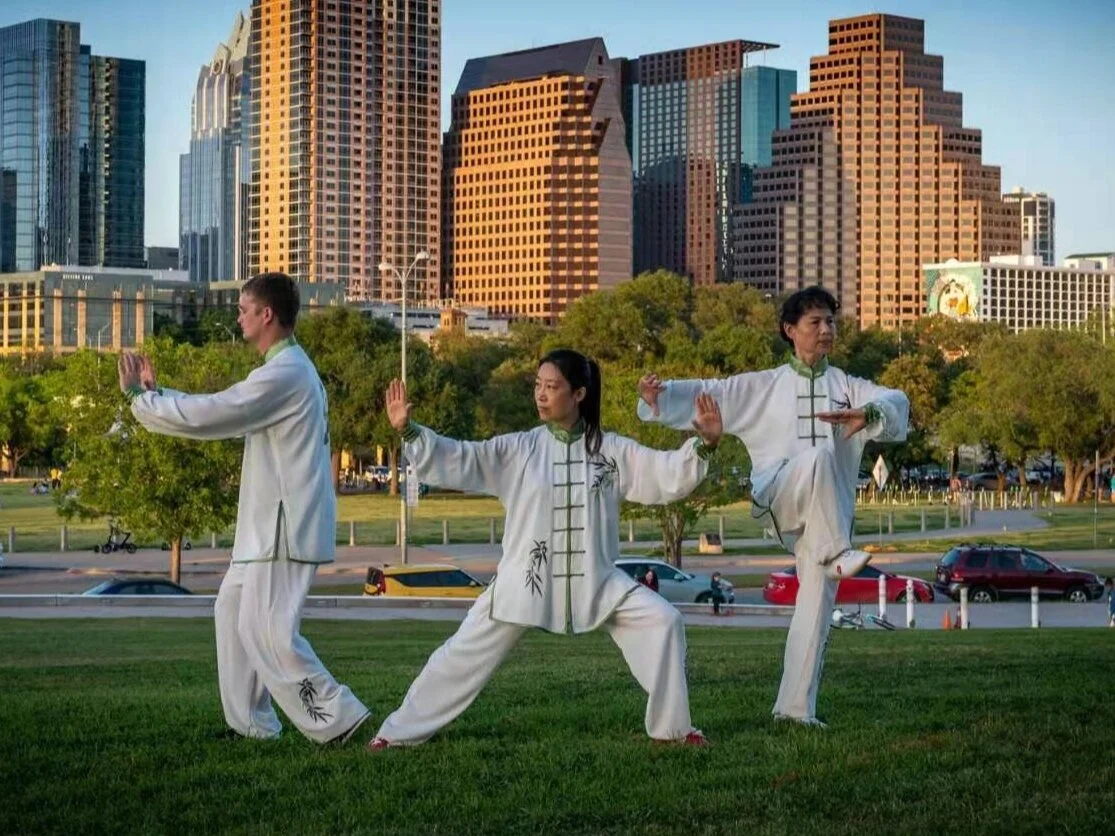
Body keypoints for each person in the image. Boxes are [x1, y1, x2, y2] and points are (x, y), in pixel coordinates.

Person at [369, 349, 722, 750]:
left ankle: (674, 731)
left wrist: (705, 445)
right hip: (523, 582)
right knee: (460, 654)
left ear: (579, 394)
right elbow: (464, 456)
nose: (540, 394)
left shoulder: (612, 451)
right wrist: (410, 431)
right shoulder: (519, 449)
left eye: (551, 387)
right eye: (537, 385)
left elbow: (664, 472)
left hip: (598, 580)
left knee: (663, 622)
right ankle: (396, 733)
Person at [636, 286, 909, 728]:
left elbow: (897, 401)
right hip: (778, 499)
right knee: (819, 456)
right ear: (790, 330)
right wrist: (659, 399)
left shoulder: (848, 387)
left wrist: (872, 414)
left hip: (824, 519)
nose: (826, 330)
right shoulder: (762, 386)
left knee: (816, 608)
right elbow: (709, 391)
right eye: (815, 323)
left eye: (831, 322)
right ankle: (837, 551)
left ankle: (795, 710)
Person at [118, 272, 369, 744]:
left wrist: (143, 401)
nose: (238, 316)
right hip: (264, 527)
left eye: (243, 309)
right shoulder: (282, 371)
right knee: (231, 612)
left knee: (267, 631)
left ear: (266, 315)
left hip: (283, 528)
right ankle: (251, 725)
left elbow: (219, 411)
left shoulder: (286, 373)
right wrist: (159, 396)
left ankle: (336, 718)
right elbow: (225, 406)